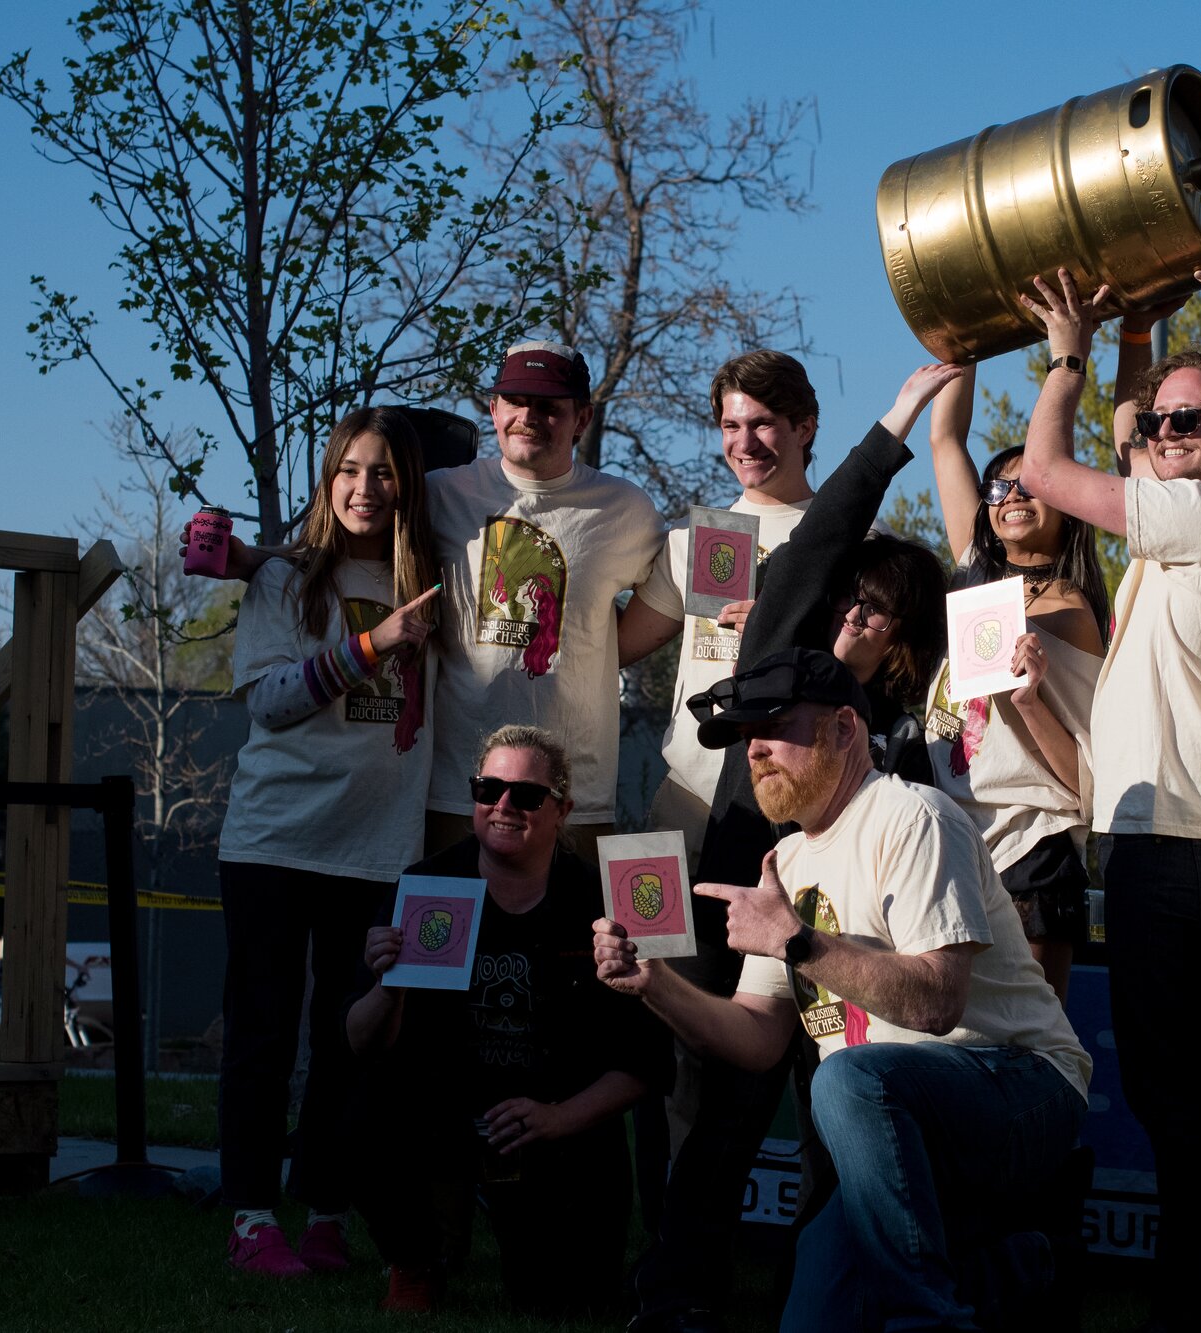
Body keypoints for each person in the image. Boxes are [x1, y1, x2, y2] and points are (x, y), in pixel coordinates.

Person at [596, 648, 1092, 1333]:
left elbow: (938, 1004)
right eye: (746, 736)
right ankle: (1014, 1267)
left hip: (1021, 1090)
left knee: (845, 1079)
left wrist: (797, 941)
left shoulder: (914, 817)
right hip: (892, 1129)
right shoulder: (790, 859)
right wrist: (653, 985)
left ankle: (930, 1321)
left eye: (774, 725)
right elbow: (759, 1036)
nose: (757, 748)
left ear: (844, 730)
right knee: (812, 1319)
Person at [627, 364, 960, 1333]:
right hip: (751, 912)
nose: (850, 616)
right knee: (723, 1111)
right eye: (842, 601)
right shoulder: (776, 670)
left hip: (847, 945)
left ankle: (823, 1300)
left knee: (839, 1119)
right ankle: (678, 1291)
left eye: (874, 610)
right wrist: (898, 417)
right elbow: (821, 536)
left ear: (903, 634)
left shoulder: (902, 734)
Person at [1015, 265, 1201, 1332]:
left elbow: (1042, 467)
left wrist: (1068, 353)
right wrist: (1137, 326)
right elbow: (1128, 432)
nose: (1163, 430)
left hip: (1175, 839)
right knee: (1196, 1096)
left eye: (1191, 418)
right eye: (1161, 418)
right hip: (1175, 835)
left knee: (1185, 1099)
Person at [196, 339, 664, 857]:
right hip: (456, 790)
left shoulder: (628, 509)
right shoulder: (440, 493)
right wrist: (255, 560)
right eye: (516, 400)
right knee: (449, 935)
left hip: (575, 792)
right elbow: (346, 544)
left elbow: (671, 597)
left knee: (571, 937)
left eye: (550, 405)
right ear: (493, 409)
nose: (529, 416)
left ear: (582, 419)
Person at [216, 406, 443, 1277]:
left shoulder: (434, 585)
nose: (364, 488)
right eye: (349, 470)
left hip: (380, 848)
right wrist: (372, 642)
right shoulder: (285, 581)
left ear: (406, 486)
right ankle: (247, 1217)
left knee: (350, 1040)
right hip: (275, 841)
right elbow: (270, 701)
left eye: (383, 472)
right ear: (327, 478)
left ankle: (324, 1211)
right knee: (263, 1037)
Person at [345, 725, 670, 1315]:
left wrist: (557, 1118)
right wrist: (390, 988)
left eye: (526, 795)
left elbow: (645, 1063)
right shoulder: (426, 887)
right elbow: (363, 1044)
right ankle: (417, 1258)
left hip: (554, 1120)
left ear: (562, 810)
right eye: (488, 788)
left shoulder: (600, 903)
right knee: (367, 1106)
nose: (503, 806)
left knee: (563, 1304)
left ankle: (522, 1236)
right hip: (444, 1105)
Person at [922, 365, 1107, 999]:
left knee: (1028, 1043)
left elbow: (1085, 780)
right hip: (953, 840)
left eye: (1032, 484)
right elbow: (946, 438)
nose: (1011, 494)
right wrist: (962, 342)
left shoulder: (1068, 608)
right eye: (999, 486)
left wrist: (1024, 700)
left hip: (1032, 842)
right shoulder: (976, 578)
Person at [618, 351, 827, 864]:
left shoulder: (854, 540)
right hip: (689, 795)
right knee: (660, 947)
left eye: (762, 424)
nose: (744, 443)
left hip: (796, 804)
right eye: (730, 425)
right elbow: (616, 646)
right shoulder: (689, 543)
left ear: (804, 428)